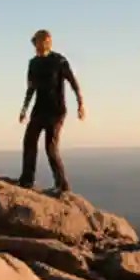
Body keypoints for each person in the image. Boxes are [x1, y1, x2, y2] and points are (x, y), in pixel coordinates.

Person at [18, 29, 85, 192]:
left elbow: (72, 81)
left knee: (50, 147)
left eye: (40, 42)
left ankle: (62, 184)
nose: (37, 46)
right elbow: (31, 88)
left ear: (47, 42)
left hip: (56, 110)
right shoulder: (33, 63)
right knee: (29, 141)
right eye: (35, 43)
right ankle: (27, 179)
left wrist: (80, 103)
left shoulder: (59, 61)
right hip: (39, 109)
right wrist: (24, 109)